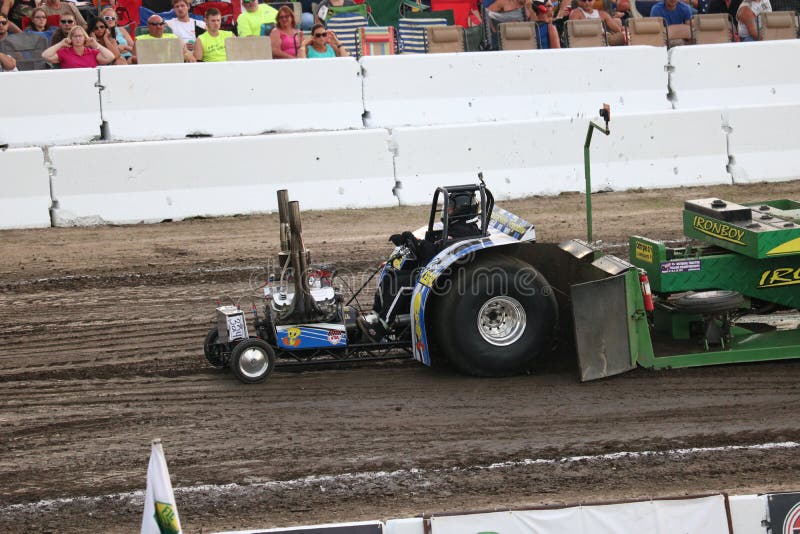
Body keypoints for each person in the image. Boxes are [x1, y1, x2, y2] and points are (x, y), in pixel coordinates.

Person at [42, 24, 114, 67]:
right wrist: (61, 44)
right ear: (71, 38)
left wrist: (96, 44)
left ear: (84, 38)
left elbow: (110, 57)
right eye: (75, 36)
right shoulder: (64, 52)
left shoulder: (92, 53)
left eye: (80, 36)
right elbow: (45, 55)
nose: (78, 39)